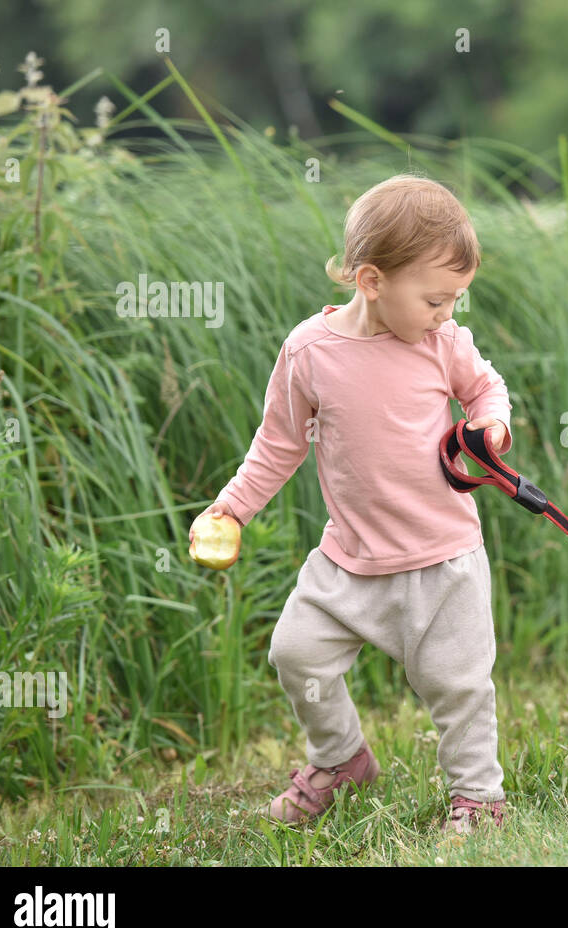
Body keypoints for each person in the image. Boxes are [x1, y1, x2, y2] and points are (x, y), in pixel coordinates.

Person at [189, 174, 513, 833]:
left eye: (456, 298)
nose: (447, 312)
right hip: (350, 558)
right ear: (371, 281)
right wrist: (230, 510)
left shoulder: (443, 342)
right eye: (433, 298)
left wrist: (490, 430)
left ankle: (479, 798)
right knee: (295, 652)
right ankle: (339, 760)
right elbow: (278, 444)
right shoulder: (310, 352)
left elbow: (487, 391)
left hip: (442, 557)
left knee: (459, 686)